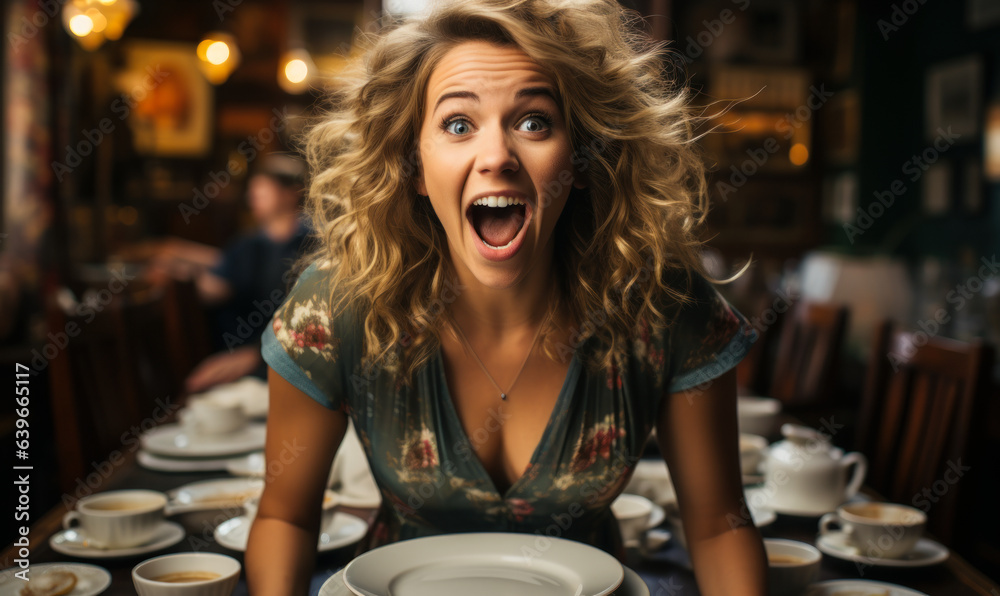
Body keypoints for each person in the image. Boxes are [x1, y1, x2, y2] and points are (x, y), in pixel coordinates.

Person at [247, 1, 767, 594]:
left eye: (535, 122)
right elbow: (284, 516)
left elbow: (720, 527)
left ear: (578, 160)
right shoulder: (338, 304)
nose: (496, 157)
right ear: (414, 165)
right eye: (459, 125)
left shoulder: (661, 302)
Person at [143, 155, 312, 393]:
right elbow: (221, 276)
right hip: (263, 358)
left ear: (290, 193)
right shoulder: (252, 244)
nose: (253, 198)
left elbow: (215, 284)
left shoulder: (307, 242)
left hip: (283, 359)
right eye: (253, 192)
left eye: (262, 191)